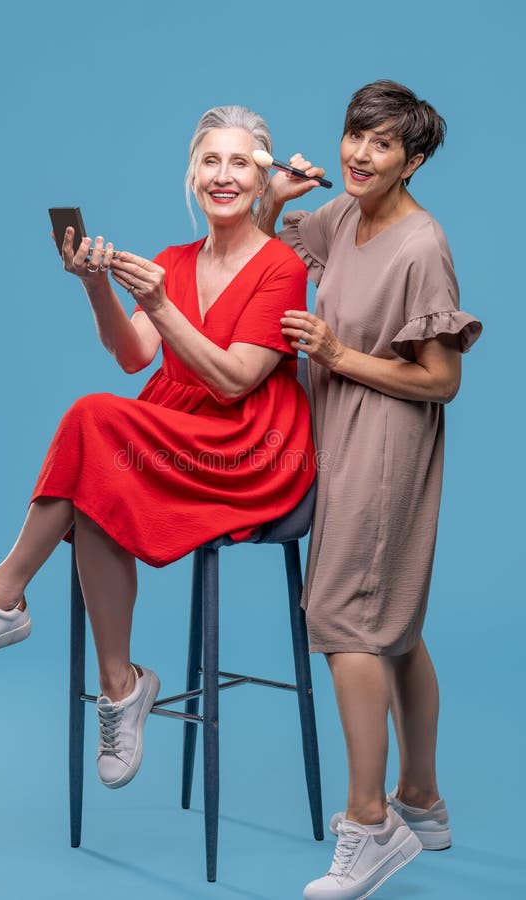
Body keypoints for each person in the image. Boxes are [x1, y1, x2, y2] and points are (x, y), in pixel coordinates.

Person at [0, 105, 315, 792]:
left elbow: (233, 383)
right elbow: (134, 356)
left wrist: (163, 306)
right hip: (171, 430)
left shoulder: (280, 265)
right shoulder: (173, 259)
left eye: (237, 163)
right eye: (208, 161)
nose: (221, 175)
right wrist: (94, 282)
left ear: (262, 179)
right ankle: (119, 687)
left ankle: (3, 599)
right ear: (191, 173)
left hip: (245, 447)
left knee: (91, 423)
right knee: (93, 476)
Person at [257, 81, 482, 900]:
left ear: (411, 161)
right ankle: (419, 800)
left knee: (343, 614)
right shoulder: (344, 216)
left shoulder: (422, 246)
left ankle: (369, 826)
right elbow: (260, 263)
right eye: (356, 134)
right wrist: (274, 196)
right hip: (336, 432)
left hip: (386, 442)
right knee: (390, 624)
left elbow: (442, 380)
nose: (359, 153)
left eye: (381, 144)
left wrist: (337, 353)